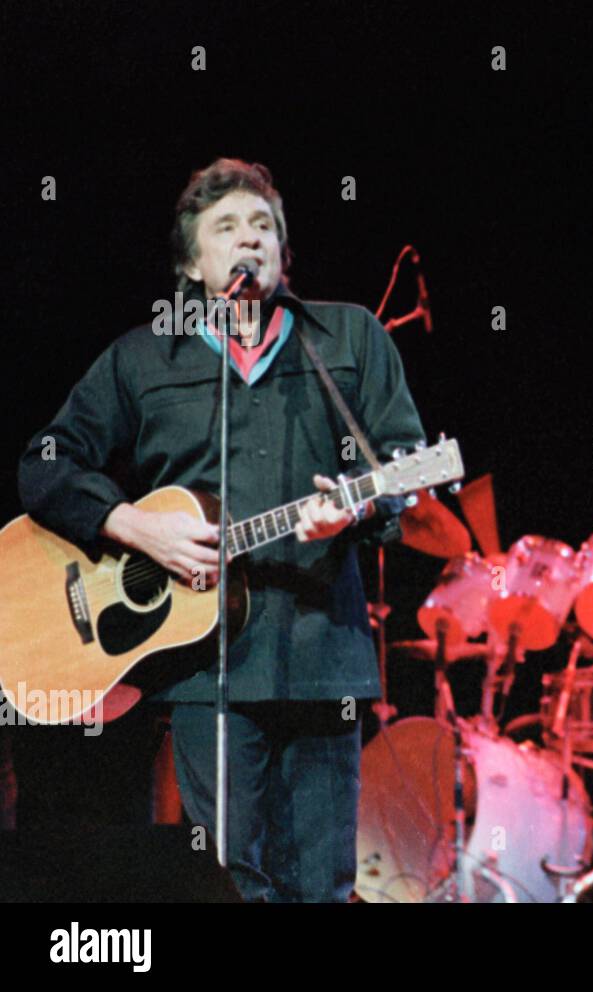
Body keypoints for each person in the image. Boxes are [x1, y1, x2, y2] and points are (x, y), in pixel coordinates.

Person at [16, 158, 426, 900]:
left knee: (322, 886)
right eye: (227, 227)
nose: (250, 240)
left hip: (321, 661)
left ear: (284, 252)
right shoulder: (143, 359)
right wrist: (132, 525)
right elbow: (45, 464)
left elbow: (401, 463)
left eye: (264, 226)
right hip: (205, 670)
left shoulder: (349, 339)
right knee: (230, 885)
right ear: (192, 262)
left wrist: (362, 503)